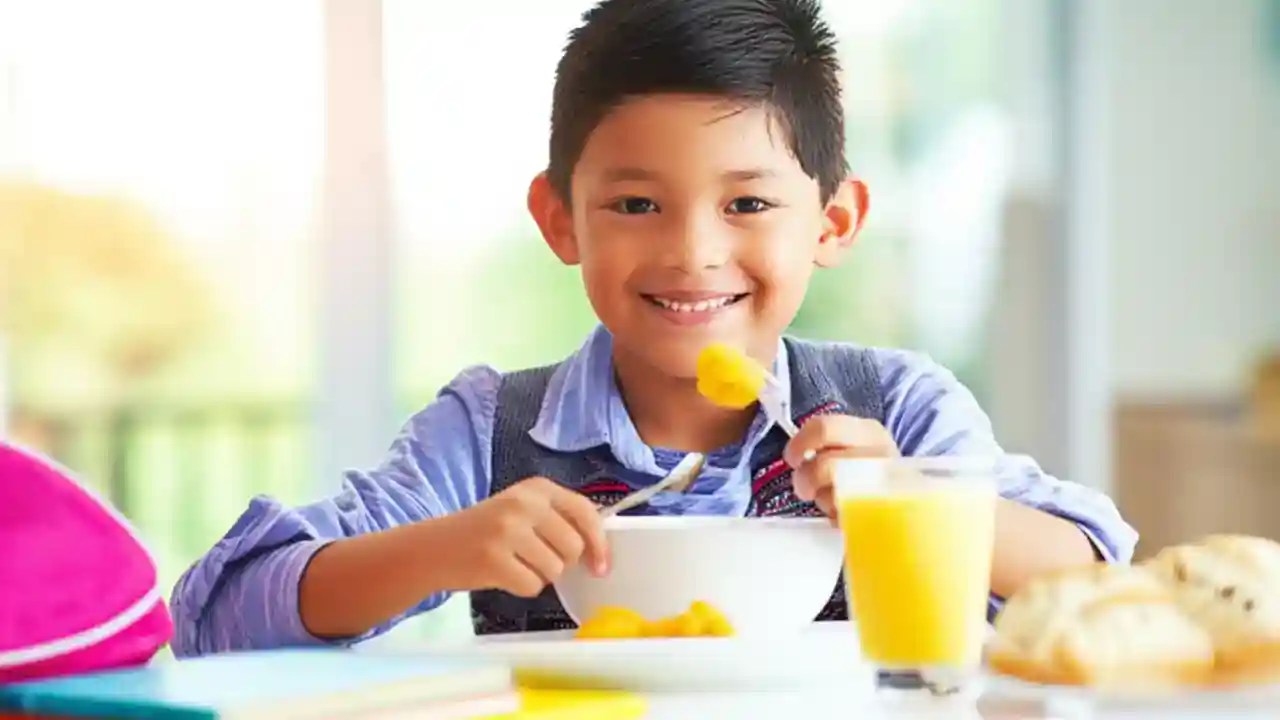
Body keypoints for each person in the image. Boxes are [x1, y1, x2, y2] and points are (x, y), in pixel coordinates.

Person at [170, 0, 1136, 657]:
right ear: (561, 221)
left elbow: (1099, 585)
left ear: (833, 222)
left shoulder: (896, 411)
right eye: (636, 205)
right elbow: (219, 617)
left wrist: (913, 503)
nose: (692, 253)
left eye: (748, 205)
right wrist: (443, 548)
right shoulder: (492, 433)